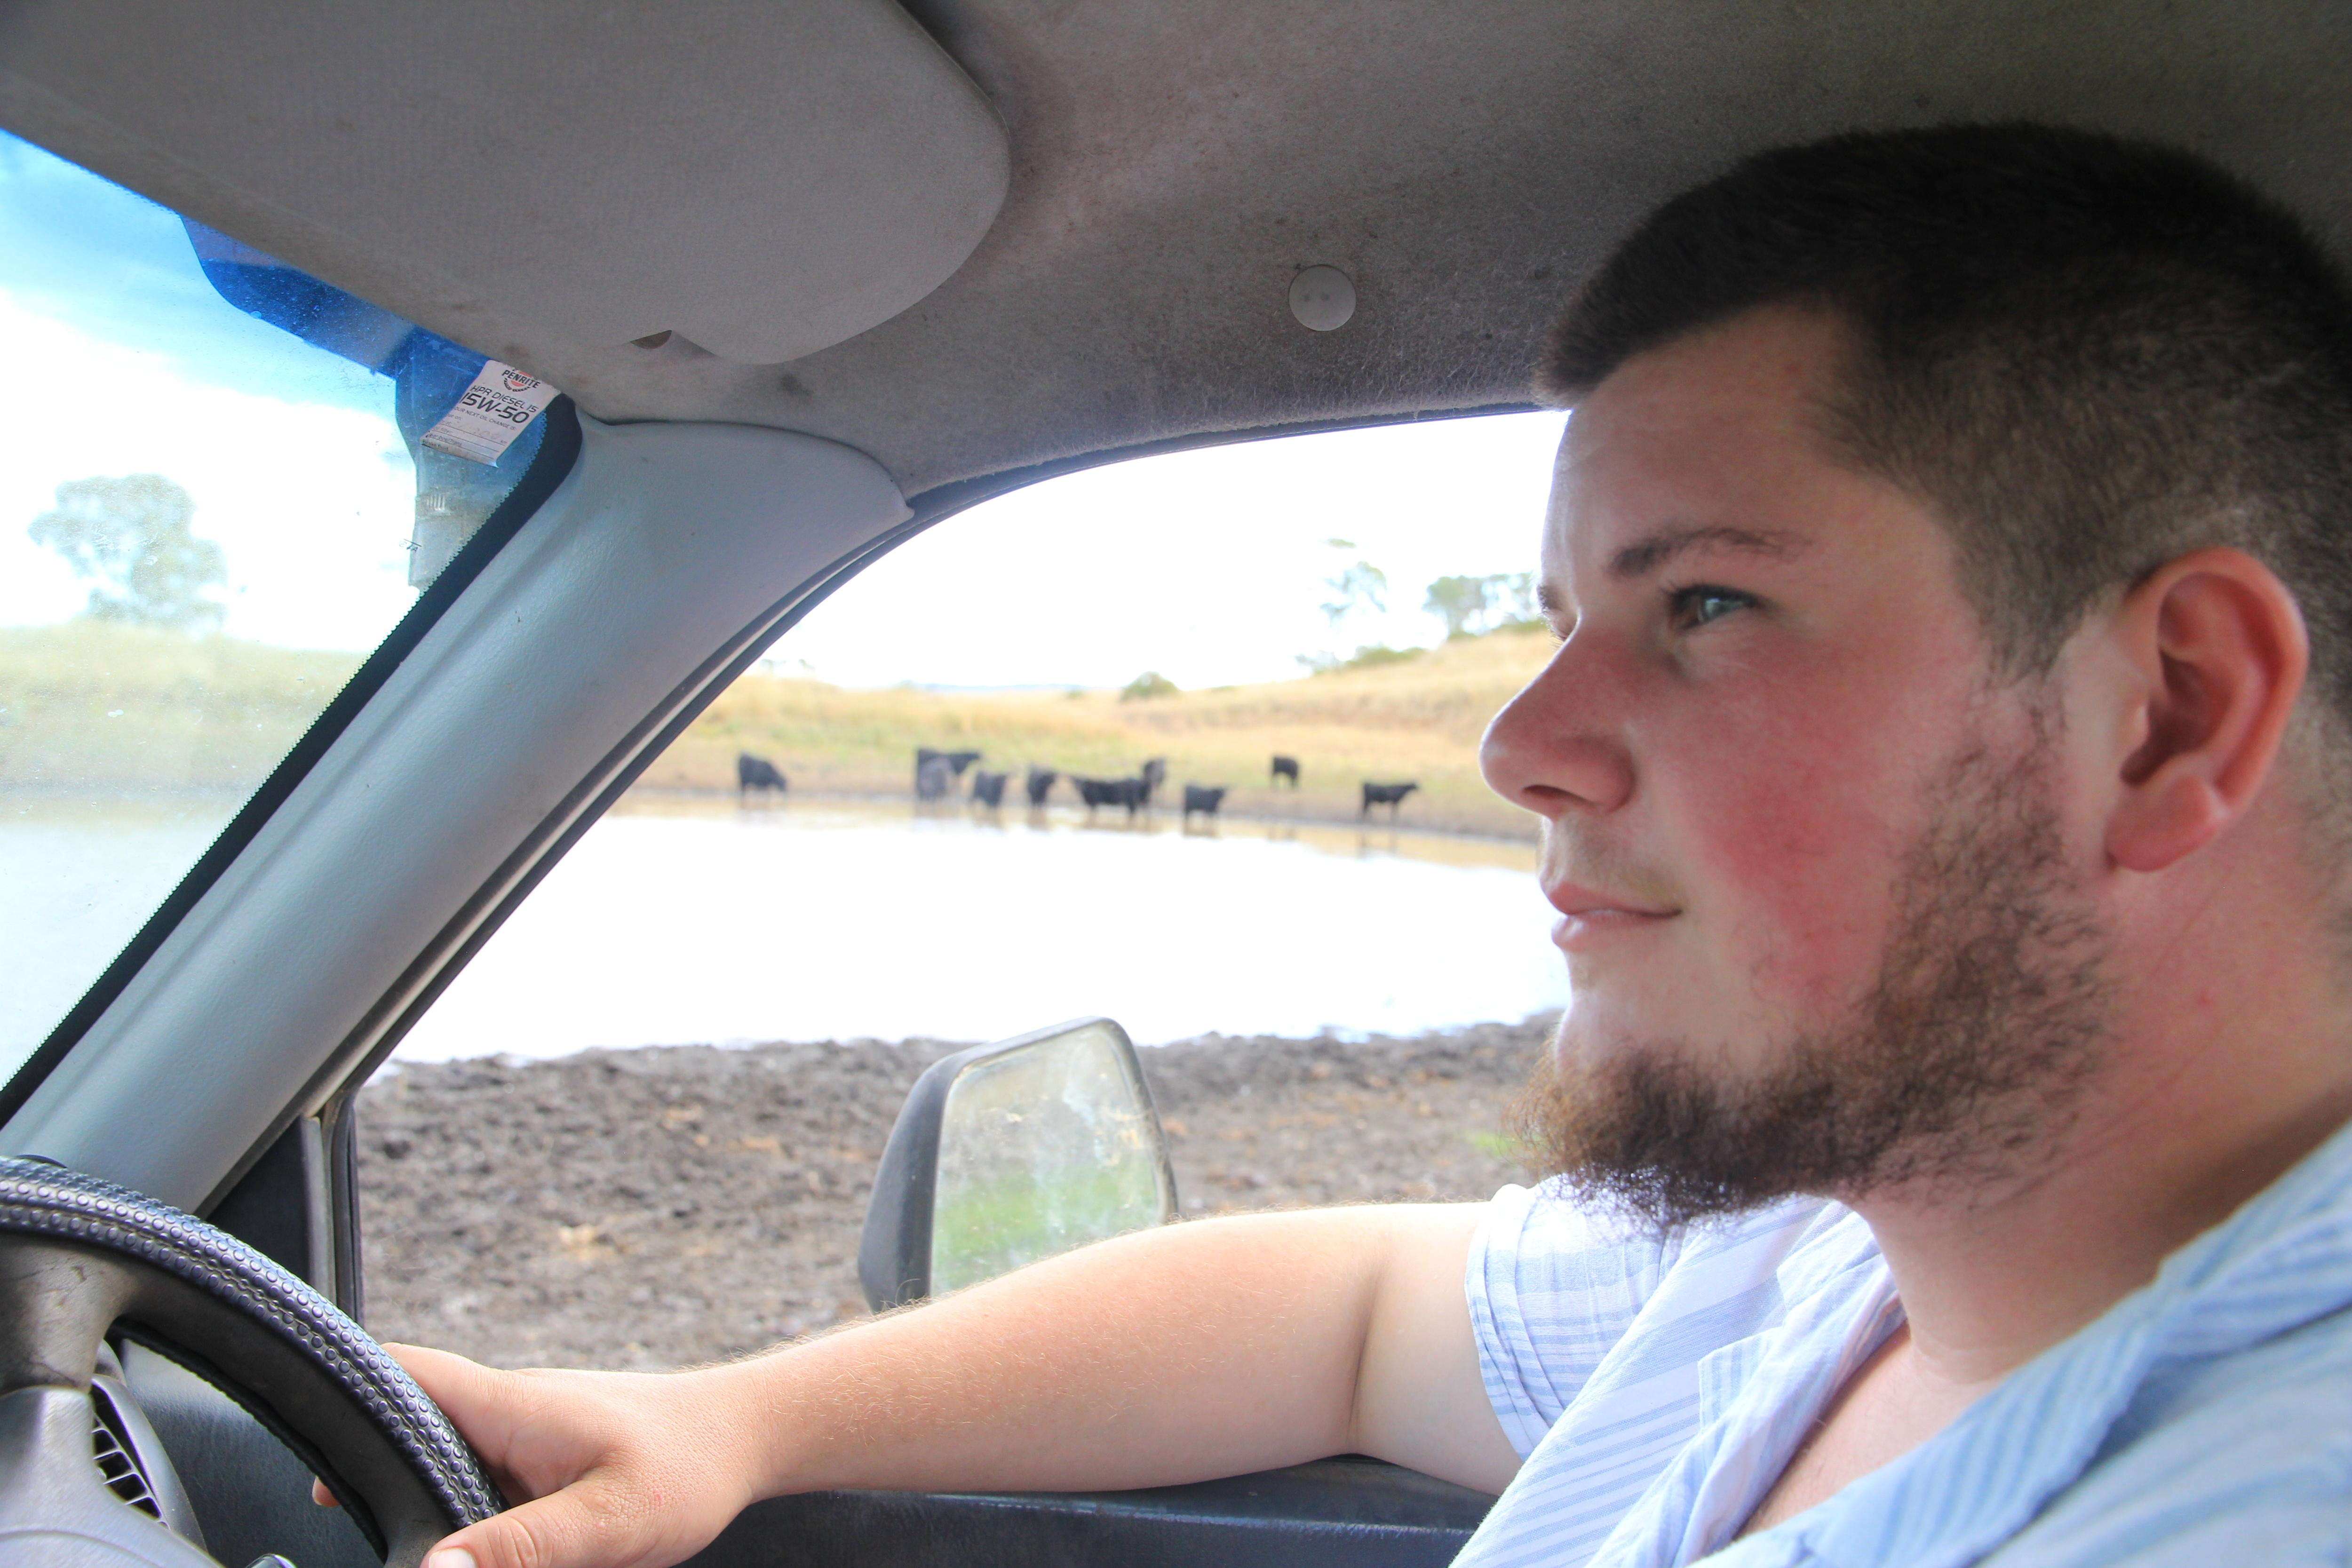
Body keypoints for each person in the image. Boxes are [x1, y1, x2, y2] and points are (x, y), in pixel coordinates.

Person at [392, 124, 2352, 1568]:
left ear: (2167, 711)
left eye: (1703, 608)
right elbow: (1347, 1318)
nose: (1521, 747)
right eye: (1567, 622)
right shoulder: (1846, 1241)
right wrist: (719, 1418)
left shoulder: (2250, 1502)